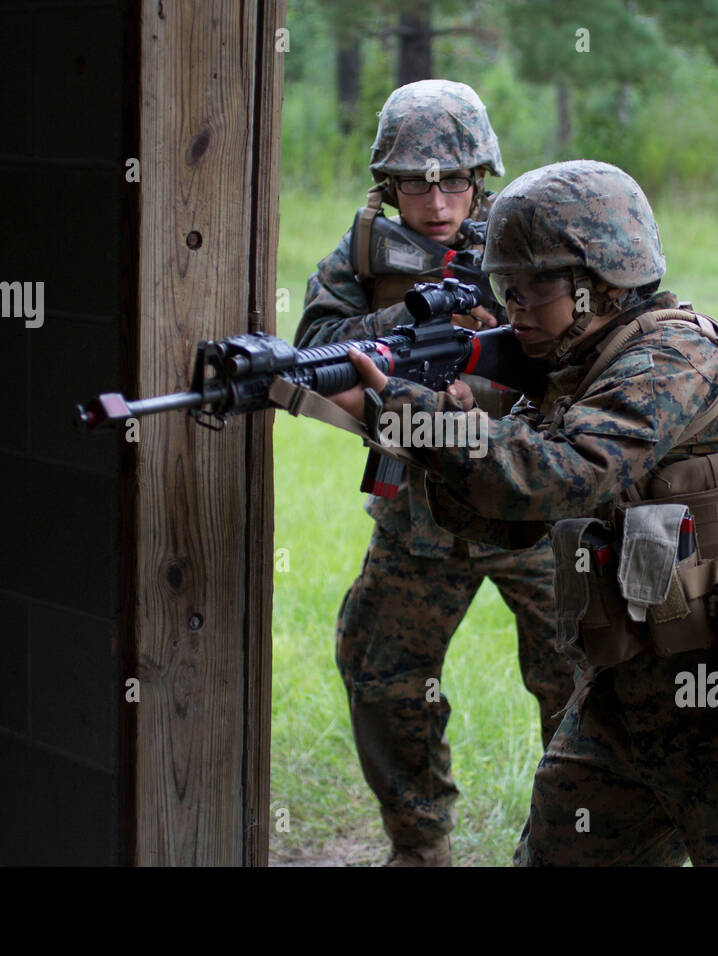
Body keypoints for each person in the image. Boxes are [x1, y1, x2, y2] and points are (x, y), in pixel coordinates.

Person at [326, 159, 718, 866]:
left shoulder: (670, 358)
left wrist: (416, 416)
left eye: (535, 287)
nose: (515, 309)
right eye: (507, 288)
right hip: (632, 697)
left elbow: (563, 474)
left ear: (599, 285)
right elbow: (510, 523)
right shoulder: (577, 369)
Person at [293, 80, 574, 867]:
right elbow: (315, 344)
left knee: (578, 680)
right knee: (380, 668)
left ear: (481, 176)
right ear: (388, 184)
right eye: (415, 182)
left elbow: (597, 334)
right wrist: (411, 320)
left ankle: (574, 846)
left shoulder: (528, 242)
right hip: (421, 508)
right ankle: (419, 846)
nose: (437, 200)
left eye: (454, 179)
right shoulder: (363, 255)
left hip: (530, 497)